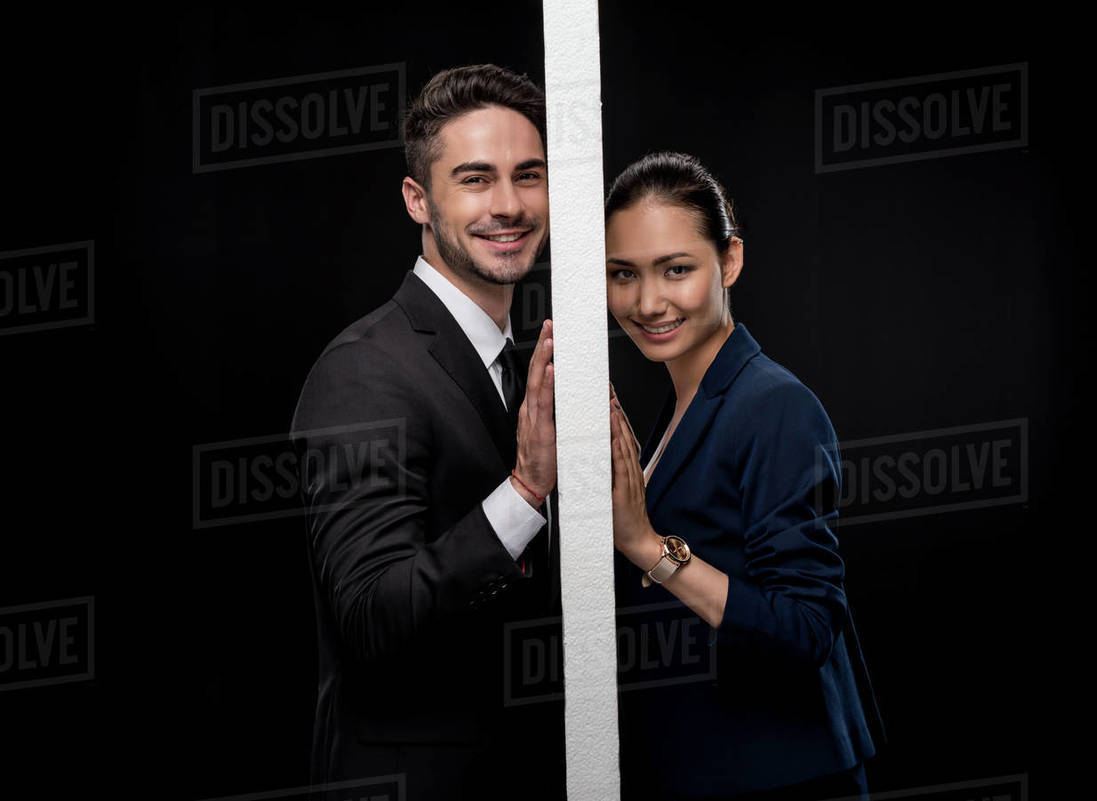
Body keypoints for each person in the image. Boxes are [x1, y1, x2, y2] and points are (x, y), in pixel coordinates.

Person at [289, 64, 565, 801]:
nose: (509, 204)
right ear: (419, 198)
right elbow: (370, 615)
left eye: (528, 175)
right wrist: (525, 490)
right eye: (475, 179)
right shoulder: (363, 370)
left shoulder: (528, 359)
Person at [605, 151, 886, 800]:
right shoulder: (682, 402)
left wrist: (648, 546)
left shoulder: (773, 405)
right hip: (714, 765)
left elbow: (808, 627)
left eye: (677, 269)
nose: (648, 302)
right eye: (624, 274)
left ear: (728, 260)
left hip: (788, 775)